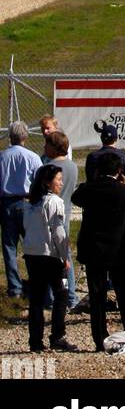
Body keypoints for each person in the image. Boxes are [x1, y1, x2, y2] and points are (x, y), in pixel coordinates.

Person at [72, 151, 125, 352]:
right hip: (118, 249)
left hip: (94, 249)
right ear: (119, 170)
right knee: (124, 293)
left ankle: (99, 338)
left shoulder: (89, 188)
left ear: (97, 170)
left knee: (97, 295)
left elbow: (75, 197)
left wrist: (92, 181)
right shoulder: (122, 190)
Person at [22, 164, 77, 354]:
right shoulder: (54, 202)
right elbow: (59, 232)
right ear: (47, 182)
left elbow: (26, 228)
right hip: (50, 256)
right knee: (61, 293)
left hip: (31, 254)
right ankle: (57, 336)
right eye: (58, 180)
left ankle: (35, 341)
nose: (61, 183)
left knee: (36, 298)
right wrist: (64, 255)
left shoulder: (30, 203)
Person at [0, 121, 41, 298]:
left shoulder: (2, 157)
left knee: (9, 247)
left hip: (7, 203)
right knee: (32, 245)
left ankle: (15, 287)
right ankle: (36, 283)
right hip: (27, 202)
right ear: (25, 136)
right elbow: (39, 182)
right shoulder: (33, 157)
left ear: (10, 136)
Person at [43, 131, 79, 311]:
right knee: (66, 256)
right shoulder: (73, 166)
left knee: (49, 256)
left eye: (46, 144)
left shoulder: (48, 167)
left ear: (54, 147)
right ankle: (70, 295)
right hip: (65, 212)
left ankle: (52, 296)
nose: (44, 148)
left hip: (48, 214)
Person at [84, 122, 125, 186]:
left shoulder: (92, 157)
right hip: (119, 194)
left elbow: (90, 180)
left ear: (101, 138)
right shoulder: (123, 156)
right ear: (116, 139)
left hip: (97, 193)